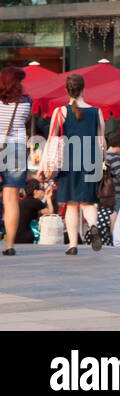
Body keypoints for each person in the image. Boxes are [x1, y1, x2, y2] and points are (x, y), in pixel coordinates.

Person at [40, 73, 105, 254]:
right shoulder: (96, 111)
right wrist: (102, 161)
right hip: (91, 159)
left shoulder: (61, 111)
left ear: (66, 90)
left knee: (71, 204)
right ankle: (93, 226)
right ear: (84, 89)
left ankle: (73, 245)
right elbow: (101, 141)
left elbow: (51, 139)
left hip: (68, 160)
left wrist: (45, 165)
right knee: (87, 202)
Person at [0, 66, 32, 256]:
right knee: (11, 199)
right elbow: (24, 120)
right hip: (17, 149)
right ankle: (9, 245)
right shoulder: (26, 101)